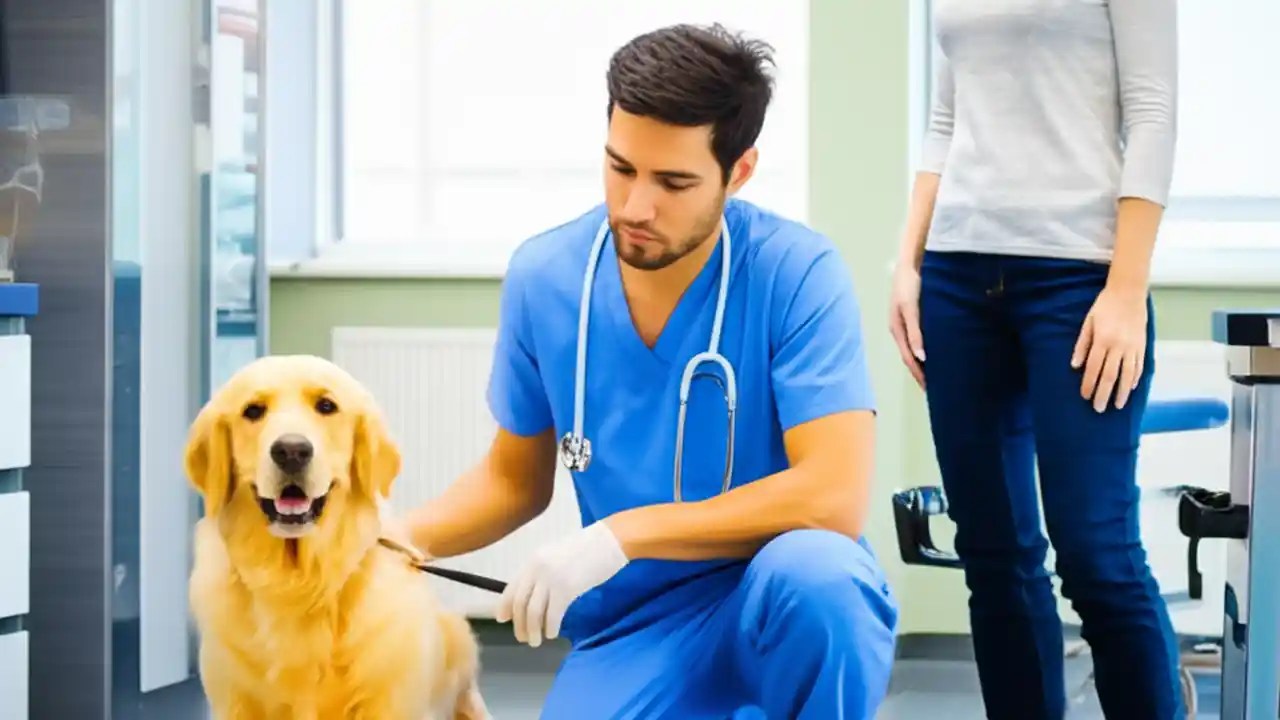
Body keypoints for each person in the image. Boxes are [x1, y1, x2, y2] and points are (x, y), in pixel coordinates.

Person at [396, 23, 897, 719]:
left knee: (824, 581)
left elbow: (833, 495)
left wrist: (619, 535)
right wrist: (393, 537)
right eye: (620, 167)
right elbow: (514, 479)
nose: (635, 207)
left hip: (774, 598)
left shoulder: (796, 274)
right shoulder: (547, 278)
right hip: (636, 623)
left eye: (674, 182)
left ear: (739, 171)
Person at [890, 2, 1181, 718]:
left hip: (1080, 279)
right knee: (993, 557)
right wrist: (908, 261)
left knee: (1096, 556)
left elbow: (1152, 114)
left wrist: (1126, 288)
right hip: (957, 276)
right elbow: (945, 122)